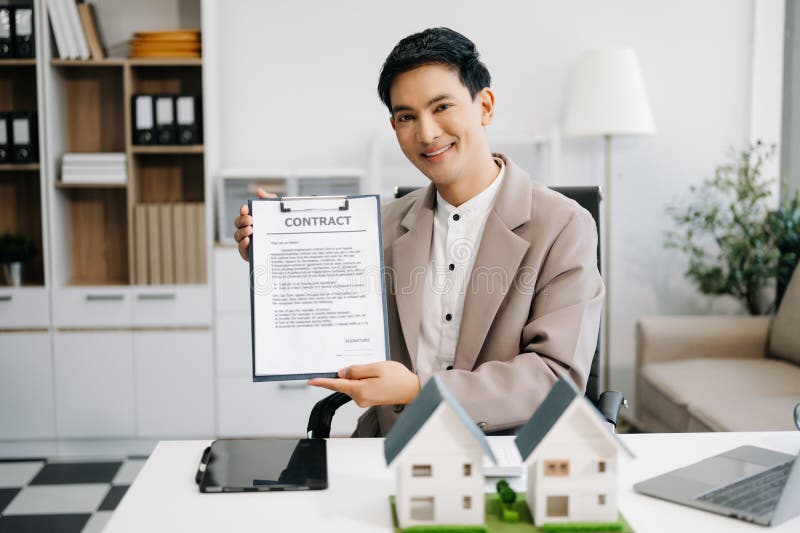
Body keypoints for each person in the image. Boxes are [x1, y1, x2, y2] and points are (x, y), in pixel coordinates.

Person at [234, 27, 603, 437]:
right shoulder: (383, 225)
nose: (426, 133)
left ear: (485, 106)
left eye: (442, 107)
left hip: (504, 452)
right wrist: (279, 252)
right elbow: (334, 316)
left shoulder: (564, 225)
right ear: (394, 127)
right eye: (407, 116)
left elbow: (554, 378)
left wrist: (419, 389)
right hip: (390, 445)